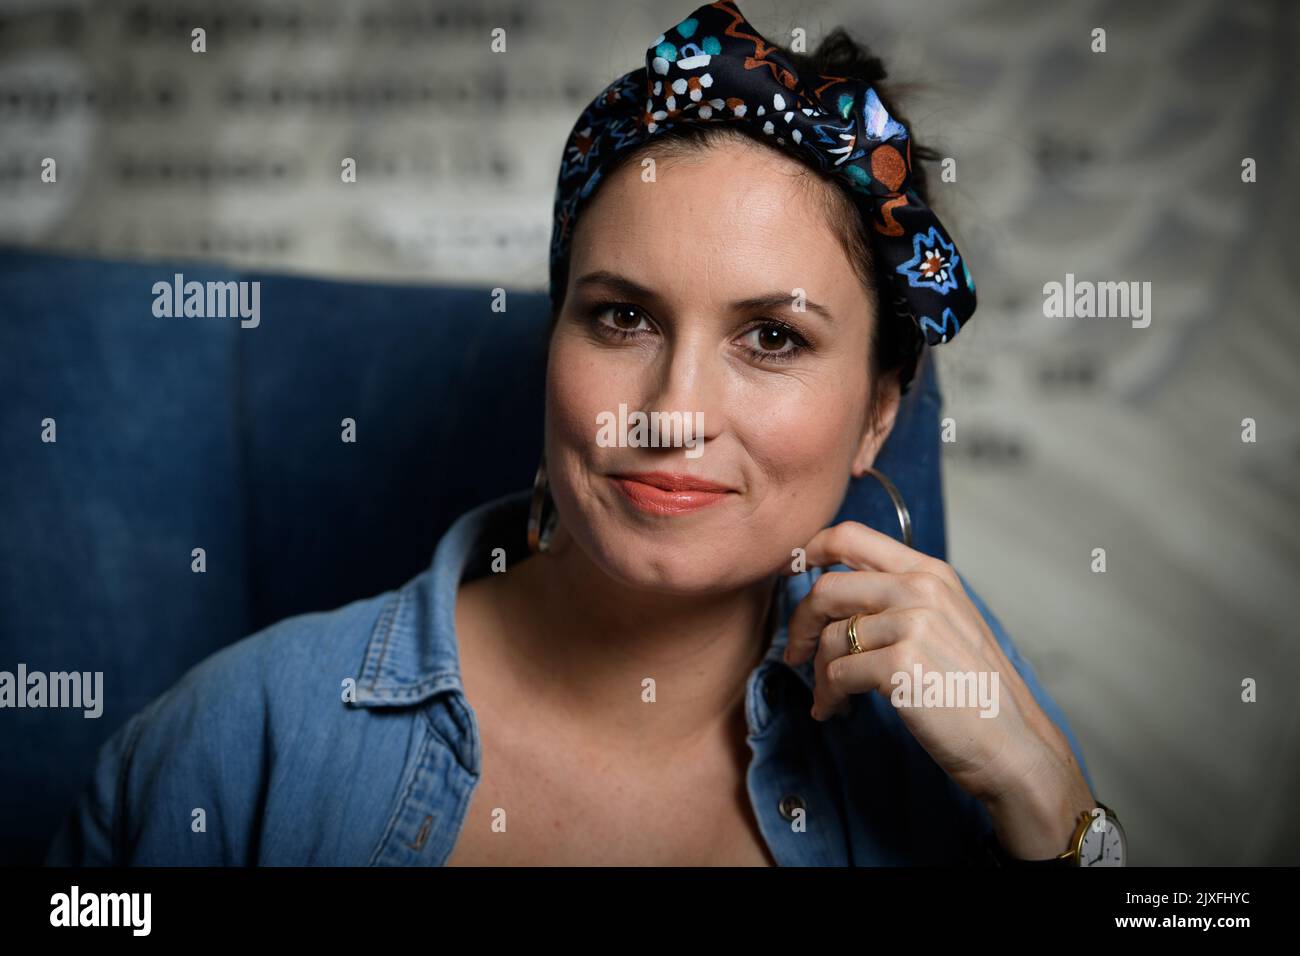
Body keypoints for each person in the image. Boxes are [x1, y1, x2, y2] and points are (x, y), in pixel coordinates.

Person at [45, 1, 1110, 867]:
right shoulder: (244, 739)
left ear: (878, 411)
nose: (674, 408)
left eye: (773, 337)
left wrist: (1055, 811)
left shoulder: (958, 729)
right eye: (623, 316)